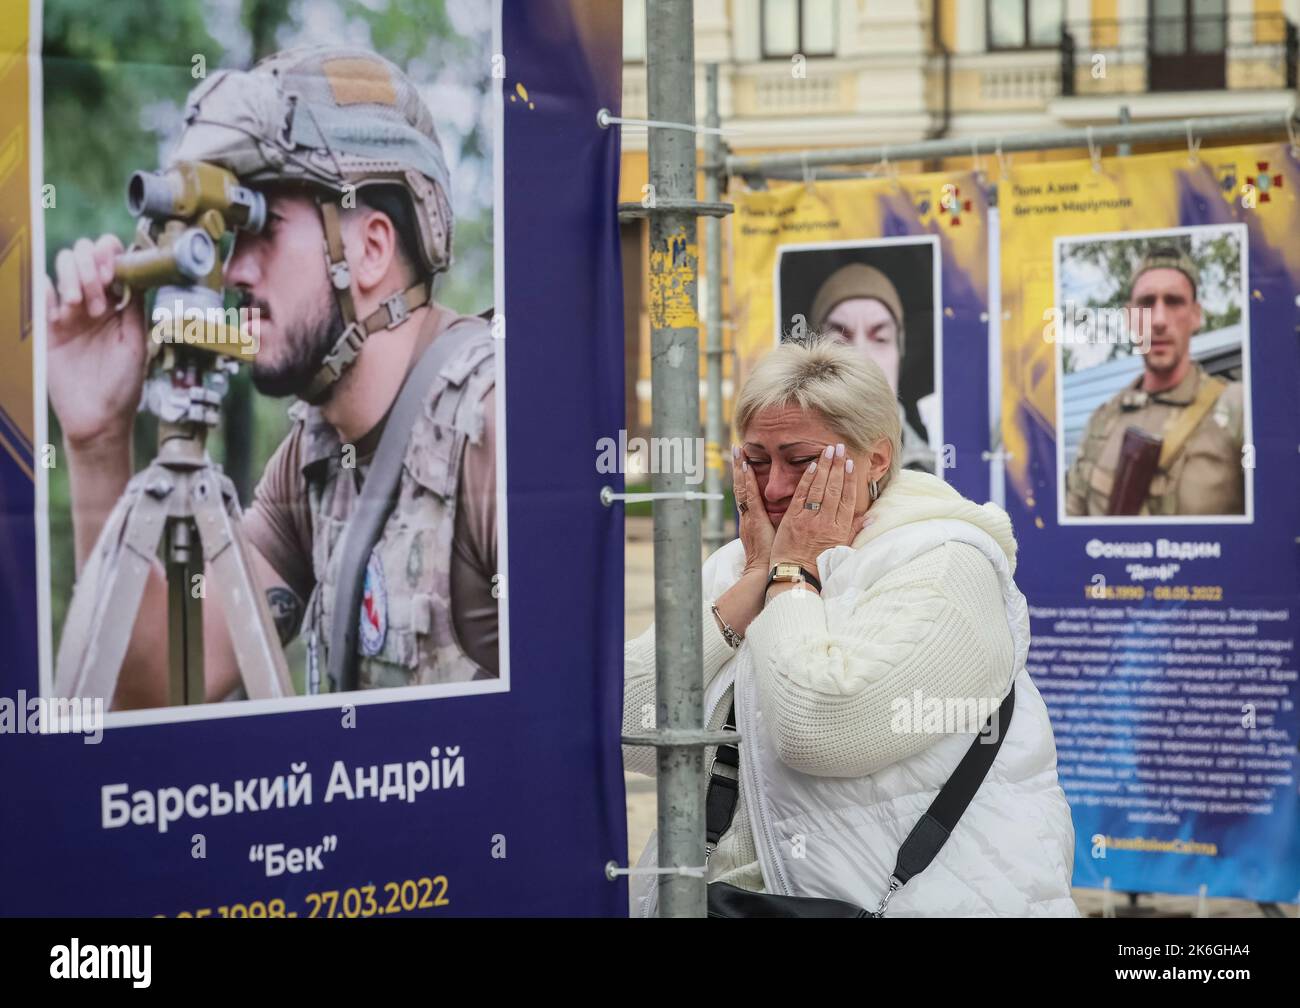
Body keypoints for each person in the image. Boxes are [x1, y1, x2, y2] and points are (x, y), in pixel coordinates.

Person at [46, 46, 497, 708]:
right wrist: (96, 437)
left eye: (262, 228)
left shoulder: (491, 420)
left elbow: (594, 706)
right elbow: (151, 689)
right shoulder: (314, 457)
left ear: (369, 251)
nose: (232, 273)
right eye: (232, 235)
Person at [623, 337, 1078, 917]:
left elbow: (821, 732)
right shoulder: (738, 565)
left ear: (878, 459)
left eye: (803, 461)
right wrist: (754, 579)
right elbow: (629, 726)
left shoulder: (948, 565)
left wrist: (791, 576)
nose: (774, 489)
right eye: (757, 461)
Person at [1064, 247, 1245, 517]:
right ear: (1129, 318)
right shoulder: (1101, 422)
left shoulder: (1239, 409)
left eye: (1174, 301)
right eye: (1146, 303)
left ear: (1196, 315)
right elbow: (1069, 533)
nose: (1159, 320)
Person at [810, 262, 936, 472]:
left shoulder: (937, 473)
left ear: (900, 351)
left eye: (880, 338)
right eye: (839, 340)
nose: (862, 357)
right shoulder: (789, 469)